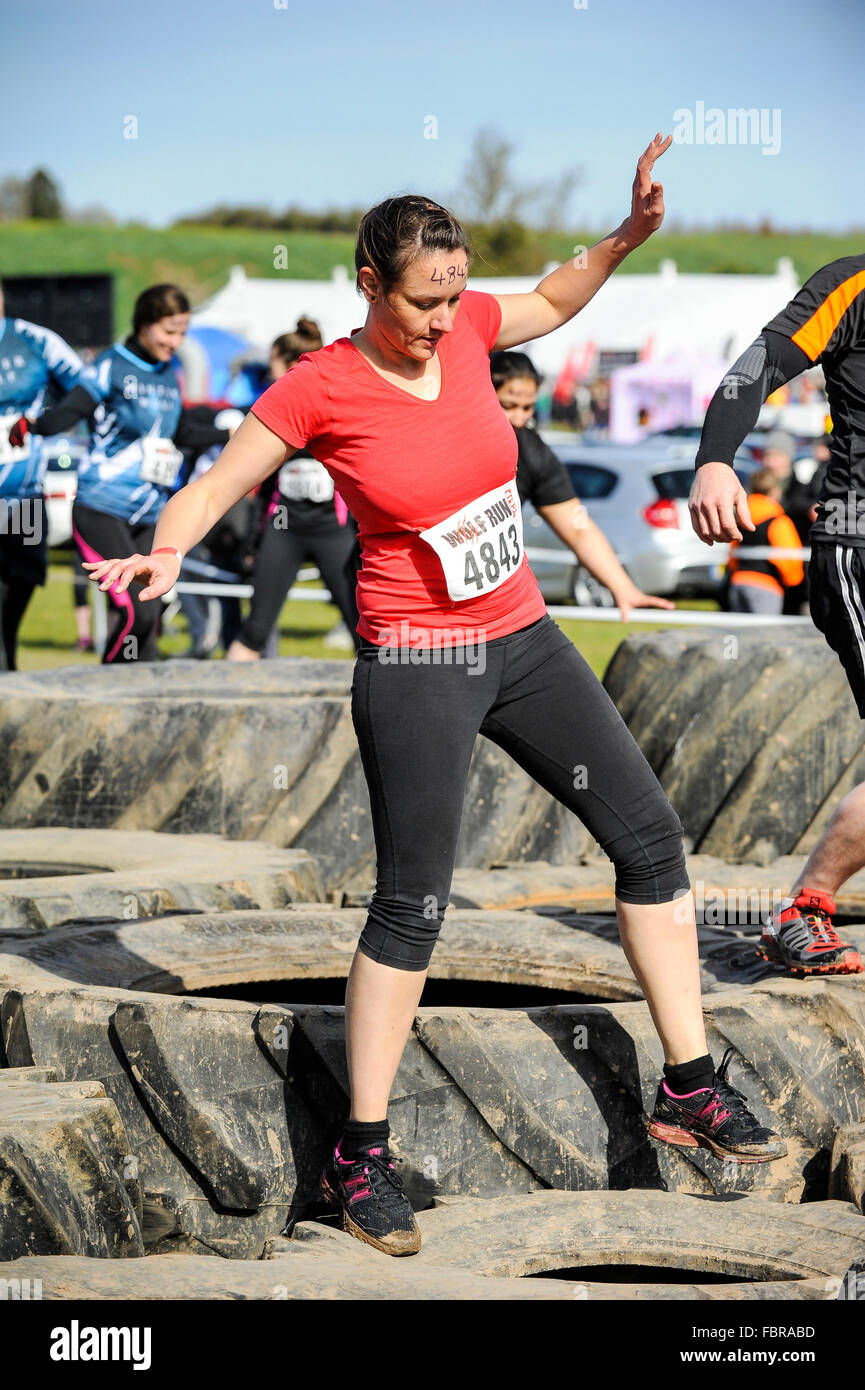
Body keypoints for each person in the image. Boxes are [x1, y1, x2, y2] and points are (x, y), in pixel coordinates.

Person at [82, 136, 787, 1258]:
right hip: (417, 659)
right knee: (415, 901)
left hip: (523, 639)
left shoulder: (467, 329)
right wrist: (167, 551)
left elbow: (553, 296)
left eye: (456, 293)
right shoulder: (320, 386)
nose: (444, 317)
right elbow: (218, 484)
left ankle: (690, 1086)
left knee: (651, 841)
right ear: (369, 284)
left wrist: (627, 236)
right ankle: (360, 1150)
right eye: (422, 299)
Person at [689, 252, 865, 977]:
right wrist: (713, 460)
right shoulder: (852, 284)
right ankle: (802, 911)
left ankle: (805, 912)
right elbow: (751, 368)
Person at [10, 284, 232, 663]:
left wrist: (231, 434)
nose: (176, 342)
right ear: (144, 325)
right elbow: (72, 409)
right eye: (169, 331)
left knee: (153, 615)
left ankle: (140, 708)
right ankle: (105, 701)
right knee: (137, 612)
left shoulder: (168, 375)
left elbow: (178, 434)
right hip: (102, 509)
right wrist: (34, 425)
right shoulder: (111, 364)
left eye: (182, 333)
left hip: (150, 514)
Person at [490, 349, 674, 620]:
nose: (519, 418)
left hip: (500, 600)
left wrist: (622, 587)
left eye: (527, 407)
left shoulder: (531, 450)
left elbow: (578, 528)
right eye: (508, 405)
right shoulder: (450, 439)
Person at [227, 322, 361, 661]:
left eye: (271, 363)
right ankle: (230, 709)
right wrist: (253, 542)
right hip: (283, 530)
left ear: (288, 365)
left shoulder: (334, 404)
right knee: (255, 629)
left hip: (334, 532)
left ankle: (377, 708)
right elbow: (262, 476)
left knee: (361, 628)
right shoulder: (269, 410)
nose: (266, 372)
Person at [0, 283, 84, 669]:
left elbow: (86, 390)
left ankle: (8, 659)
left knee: (23, 579)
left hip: (24, 493)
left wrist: (44, 423)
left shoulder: (35, 340)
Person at [725, 467, 804, 615]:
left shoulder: (742, 517)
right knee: (765, 636)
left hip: (738, 582)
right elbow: (790, 558)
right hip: (766, 586)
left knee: (740, 636)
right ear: (775, 491)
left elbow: (732, 553)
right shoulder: (778, 520)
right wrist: (793, 581)